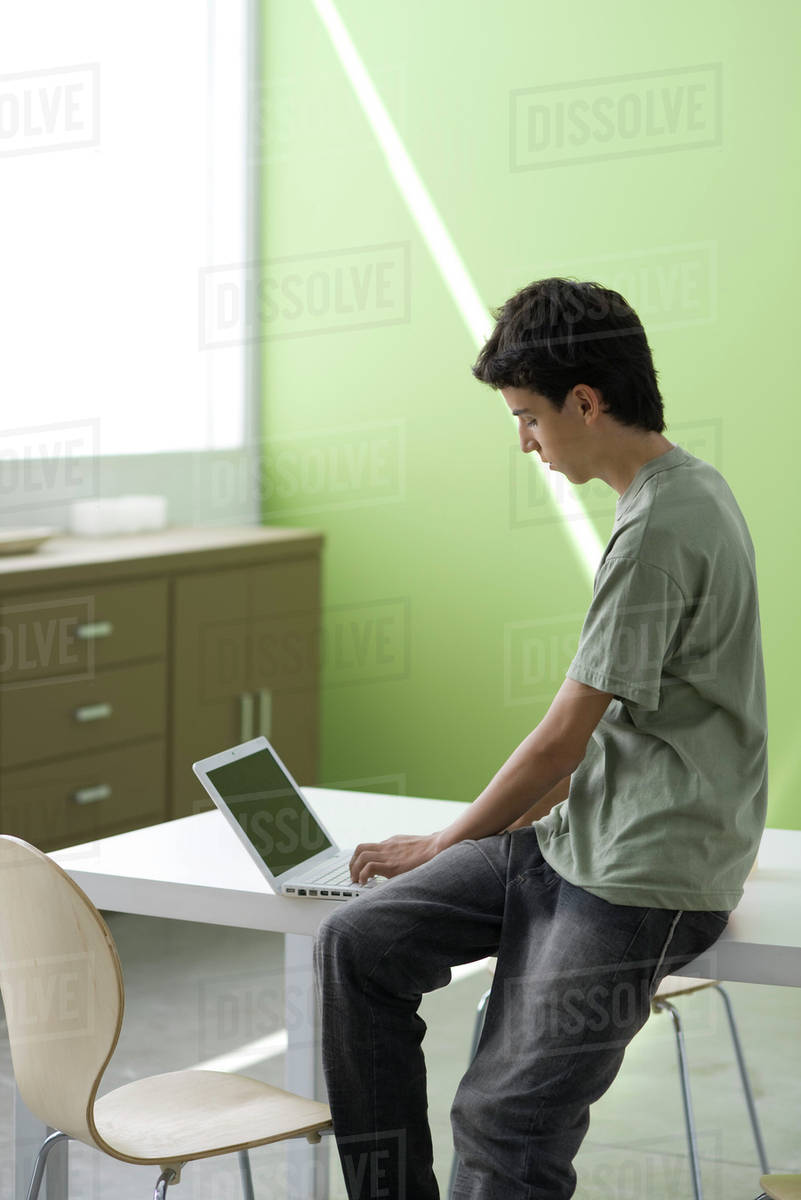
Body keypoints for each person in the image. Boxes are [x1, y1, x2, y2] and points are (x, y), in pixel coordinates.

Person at [312, 277, 768, 1199]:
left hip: (644, 871)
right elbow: (624, 733)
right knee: (356, 944)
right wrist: (478, 839)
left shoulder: (662, 527)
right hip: (575, 838)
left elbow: (563, 738)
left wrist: (446, 839)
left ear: (586, 403)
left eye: (526, 416)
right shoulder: (671, 494)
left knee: (504, 1118)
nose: (523, 439)